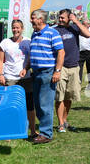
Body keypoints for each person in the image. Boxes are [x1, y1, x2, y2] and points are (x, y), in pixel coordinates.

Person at [24, 9, 65, 143]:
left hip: (47, 73)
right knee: (38, 103)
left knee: (45, 104)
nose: (31, 20)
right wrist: (26, 67)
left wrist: (57, 71)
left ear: (41, 19)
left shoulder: (53, 33)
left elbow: (61, 52)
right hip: (35, 73)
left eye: (33, 18)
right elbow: (32, 53)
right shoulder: (35, 34)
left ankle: (46, 134)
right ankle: (43, 130)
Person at [0, 17, 38, 138]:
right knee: (9, 105)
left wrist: (26, 68)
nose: (15, 30)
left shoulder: (28, 42)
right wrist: (0, 74)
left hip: (26, 78)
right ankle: (9, 132)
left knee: (30, 105)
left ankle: (33, 131)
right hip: (10, 78)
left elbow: (31, 58)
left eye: (17, 28)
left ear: (22, 29)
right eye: (13, 28)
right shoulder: (5, 43)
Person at [53, 8, 90, 133]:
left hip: (74, 66)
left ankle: (65, 121)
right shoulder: (54, 30)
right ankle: (60, 123)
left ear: (69, 18)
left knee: (69, 96)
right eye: (59, 17)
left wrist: (76, 21)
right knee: (60, 96)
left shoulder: (74, 28)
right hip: (61, 67)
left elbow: (88, 34)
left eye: (63, 17)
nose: (60, 19)